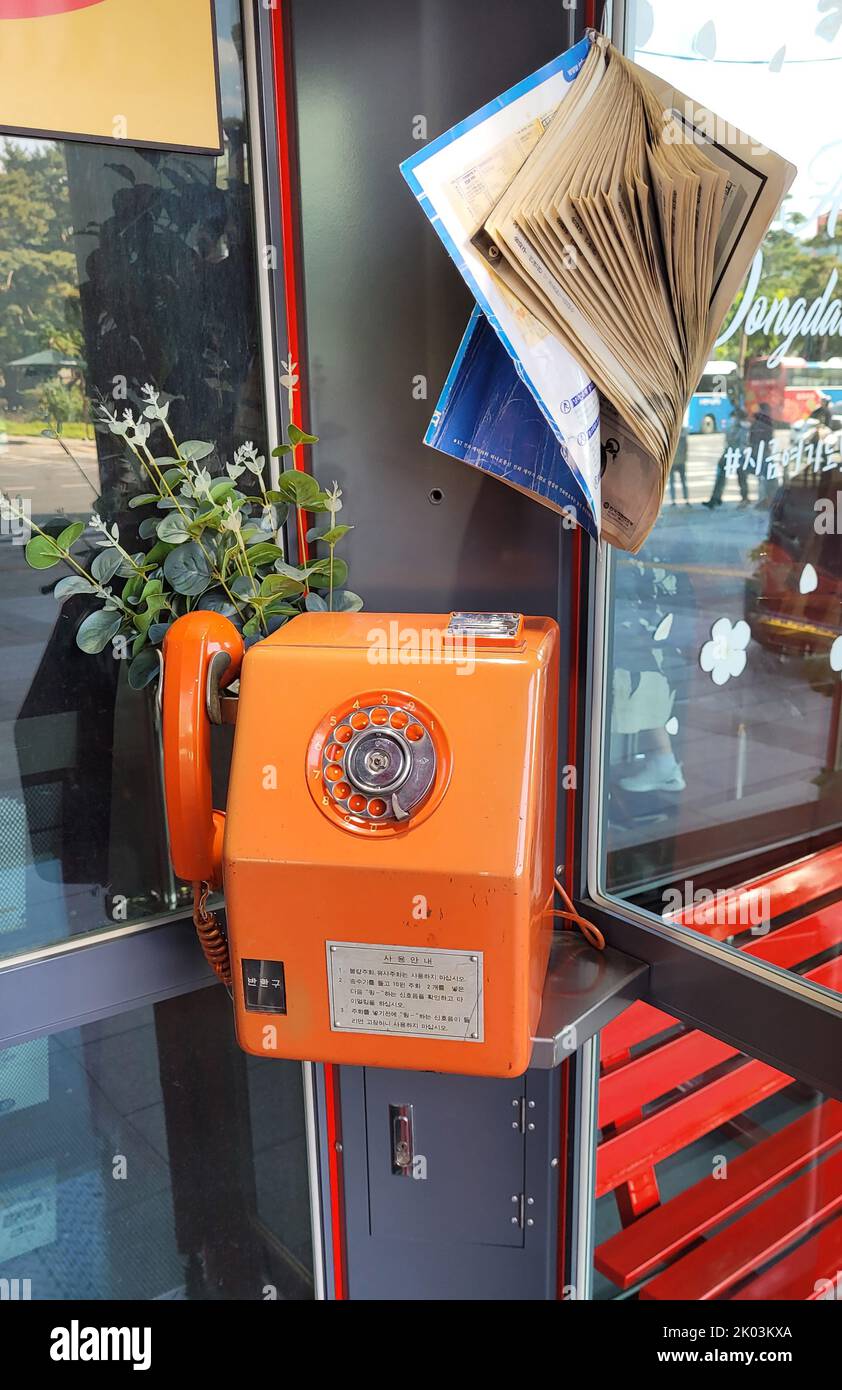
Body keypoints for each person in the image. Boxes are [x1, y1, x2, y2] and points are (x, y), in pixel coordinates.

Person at [704, 407, 749, 508]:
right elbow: (728, 442)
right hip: (730, 454)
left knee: (741, 477)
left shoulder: (743, 428)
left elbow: (741, 442)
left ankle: (744, 498)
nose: (732, 419)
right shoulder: (732, 427)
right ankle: (715, 498)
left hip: (738, 455)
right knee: (723, 477)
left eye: (734, 417)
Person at [669, 426, 690, 504]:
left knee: (673, 482)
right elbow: (685, 448)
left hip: (674, 462)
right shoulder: (682, 434)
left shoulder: (670, 435)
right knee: (683, 481)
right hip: (680, 462)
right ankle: (686, 499)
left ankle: (673, 500)